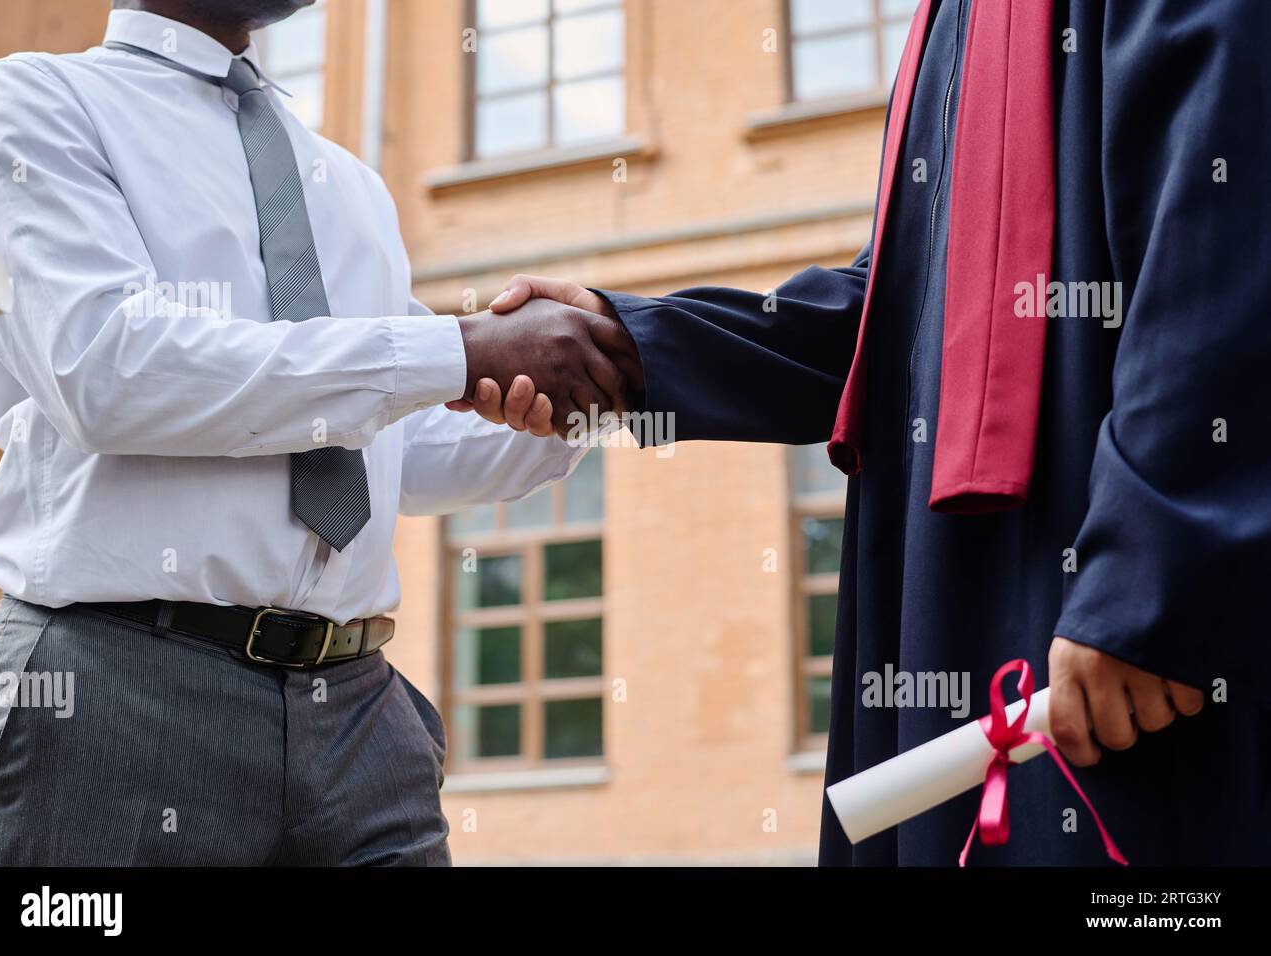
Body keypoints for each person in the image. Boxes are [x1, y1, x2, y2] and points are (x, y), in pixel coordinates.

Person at [458, 0, 1271, 865]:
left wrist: (1157, 572)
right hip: (949, 603)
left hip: (1104, 623)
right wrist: (631, 347)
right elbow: (908, 310)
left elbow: (1223, 222)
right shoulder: (948, 24)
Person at [0, 0, 637, 865]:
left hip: (357, 711)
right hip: (120, 693)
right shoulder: (39, 101)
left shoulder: (345, 183)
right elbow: (108, 371)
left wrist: (573, 394)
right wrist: (456, 346)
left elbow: (386, 449)